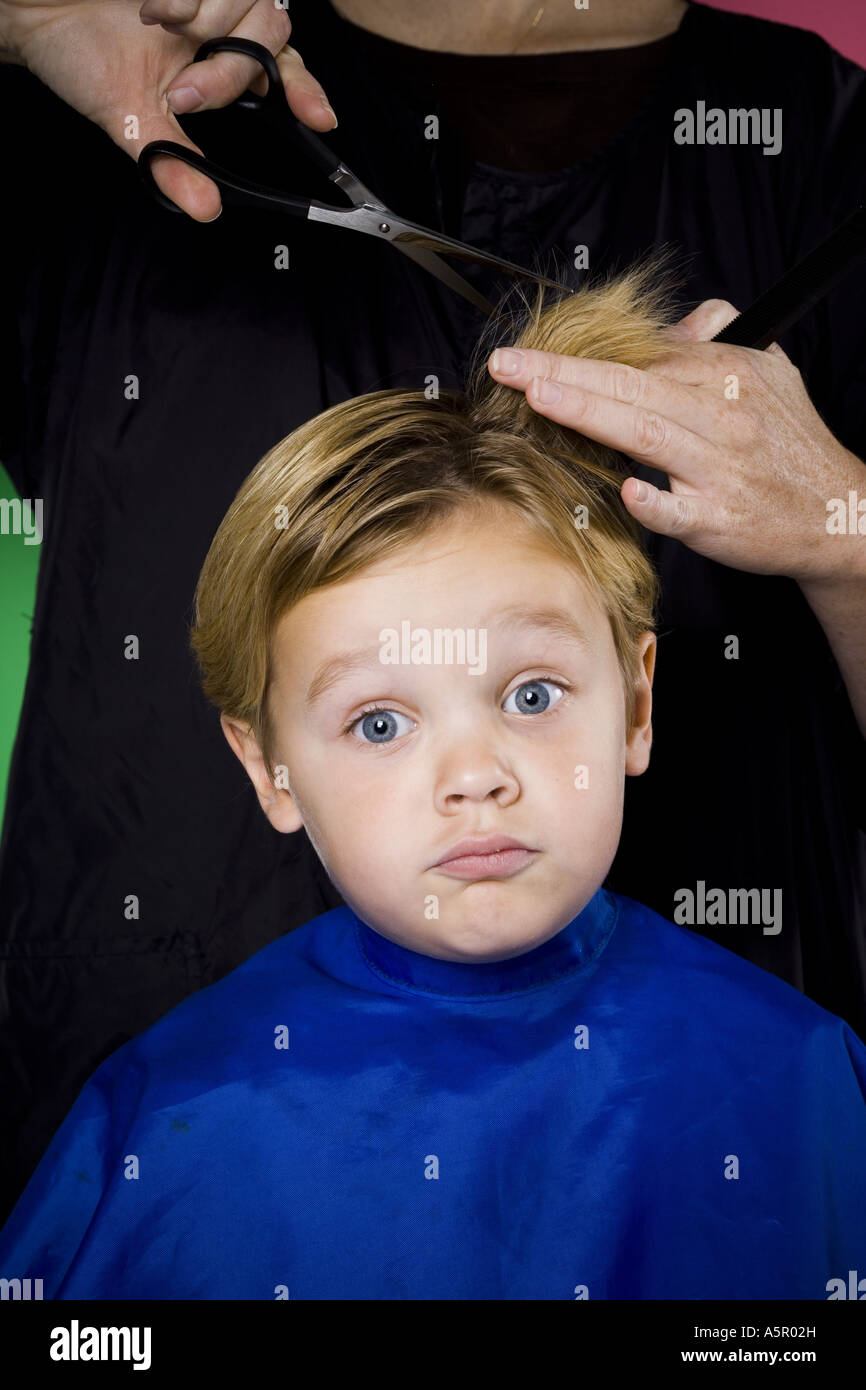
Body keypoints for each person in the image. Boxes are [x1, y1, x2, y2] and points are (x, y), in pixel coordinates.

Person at [1, 0, 865, 1231]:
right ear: (262, 761)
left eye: (529, 695)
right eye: (376, 721)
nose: (473, 780)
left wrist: (848, 520)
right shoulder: (105, 115)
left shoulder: (819, 150)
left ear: (639, 696)